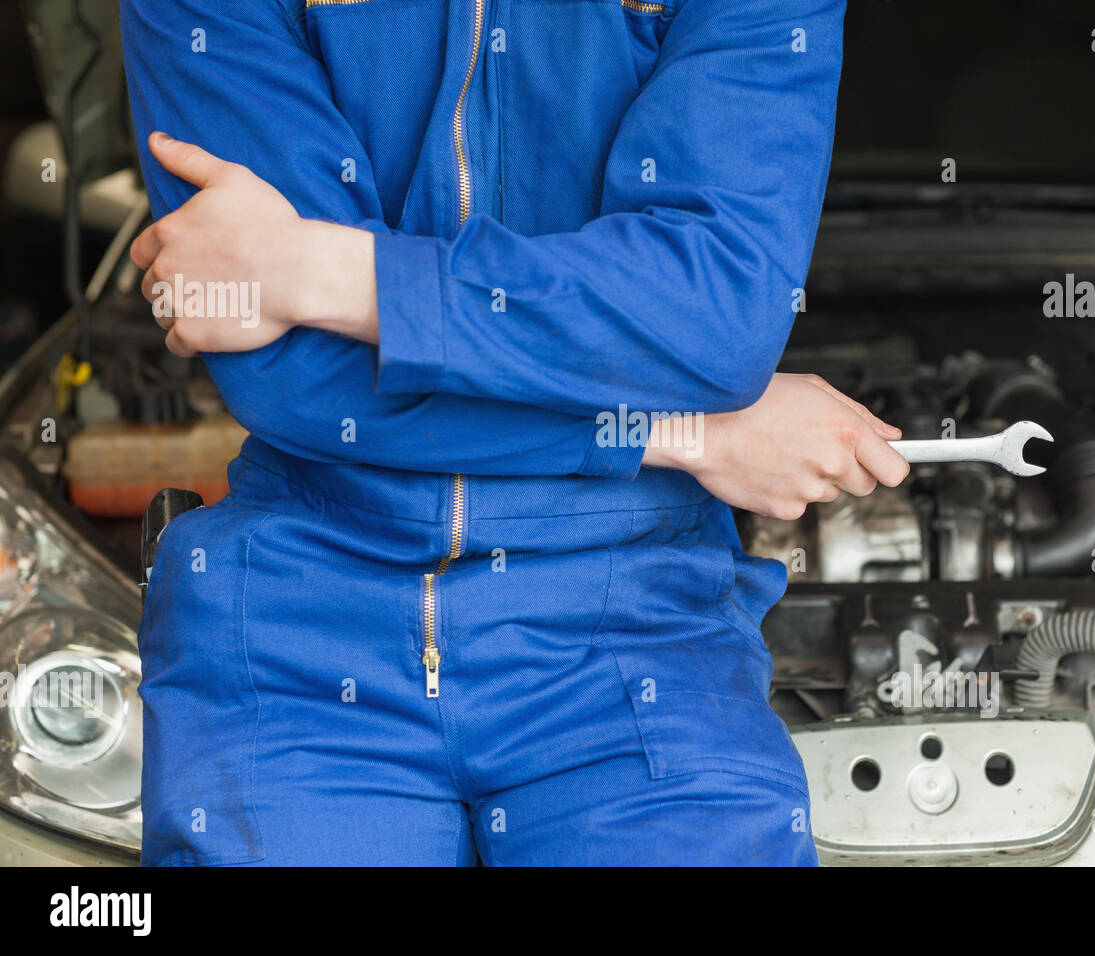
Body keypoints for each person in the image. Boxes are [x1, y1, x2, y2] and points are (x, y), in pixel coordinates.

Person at [121, 0, 908, 866]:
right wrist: (683, 435)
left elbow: (716, 314)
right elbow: (295, 372)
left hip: (633, 622)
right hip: (299, 623)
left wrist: (323, 268)